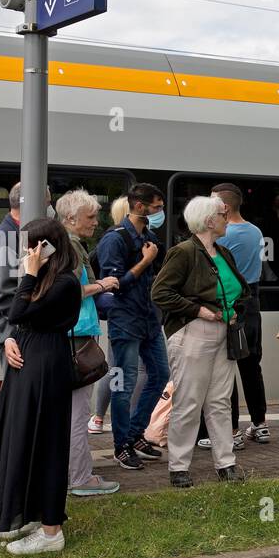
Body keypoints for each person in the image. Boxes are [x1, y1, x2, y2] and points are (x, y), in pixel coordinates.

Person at [0, 219, 82, 554]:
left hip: (47, 365)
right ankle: (31, 514)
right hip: (29, 360)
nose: (27, 251)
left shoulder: (64, 281)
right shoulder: (48, 277)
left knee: (46, 442)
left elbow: (19, 312)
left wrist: (30, 273)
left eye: (32, 245)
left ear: (48, 246)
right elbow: (21, 321)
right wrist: (10, 340)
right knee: (21, 437)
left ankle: (51, 532)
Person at [151, 194, 251, 486]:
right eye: (222, 215)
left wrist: (234, 309)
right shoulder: (184, 252)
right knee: (189, 401)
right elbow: (160, 293)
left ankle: (226, 463)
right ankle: (179, 467)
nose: (226, 219)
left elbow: (238, 290)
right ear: (209, 221)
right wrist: (199, 310)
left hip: (223, 332)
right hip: (193, 331)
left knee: (220, 401)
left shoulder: (223, 252)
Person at [97, 182, 167, 471]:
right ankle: (121, 445)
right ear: (139, 206)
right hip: (124, 321)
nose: (160, 212)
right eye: (157, 207)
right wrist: (145, 261)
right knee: (122, 386)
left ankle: (135, 433)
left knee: (160, 374)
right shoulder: (114, 240)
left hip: (149, 319)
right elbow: (114, 284)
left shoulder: (149, 236)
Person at [57, 189, 119, 497]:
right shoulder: (70, 248)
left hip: (70, 334)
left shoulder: (63, 244)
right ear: (71, 218)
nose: (96, 222)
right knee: (78, 412)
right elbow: (70, 291)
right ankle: (80, 478)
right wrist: (102, 285)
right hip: (77, 337)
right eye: (91, 217)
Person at [199, 182, 269, 448]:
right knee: (251, 367)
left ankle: (233, 430)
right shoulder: (255, 231)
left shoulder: (223, 235)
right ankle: (260, 424)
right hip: (253, 304)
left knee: (226, 368)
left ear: (224, 208)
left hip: (230, 304)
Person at [0, 181, 53, 369]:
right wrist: (19, 326)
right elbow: (0, 292)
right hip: (16, 336)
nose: (50, 209)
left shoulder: (19, 234)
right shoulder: (6, 238)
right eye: (48, 203)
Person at [87, 194, 130, 436]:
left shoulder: (106, 239)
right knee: (124, 368)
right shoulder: (121, 240)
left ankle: (99, 417)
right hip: (125, 312)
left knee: (115, 366)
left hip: (115, 311)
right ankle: (113, 418)